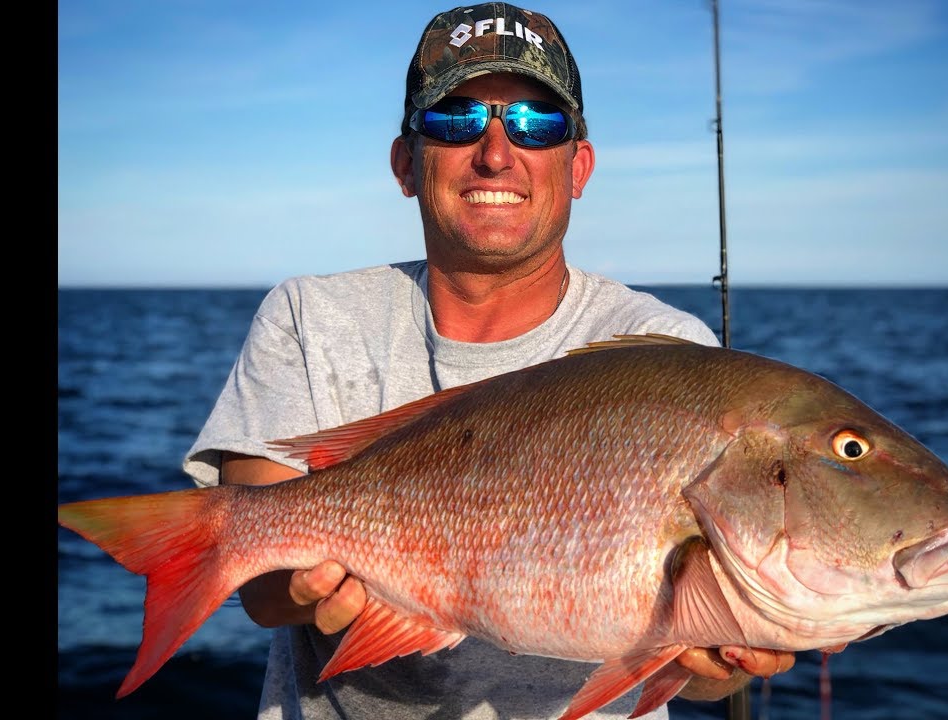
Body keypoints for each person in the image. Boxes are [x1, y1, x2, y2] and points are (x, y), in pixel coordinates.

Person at [183, 3, 794, 718]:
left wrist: (724, 657)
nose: (497, 152)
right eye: (455, 119)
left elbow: (708, 675)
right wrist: (303, 583)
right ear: (406, 163)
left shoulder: (670, 347)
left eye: (538, 123)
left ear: (579, 166)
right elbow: (254, 583)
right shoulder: (309, 316)